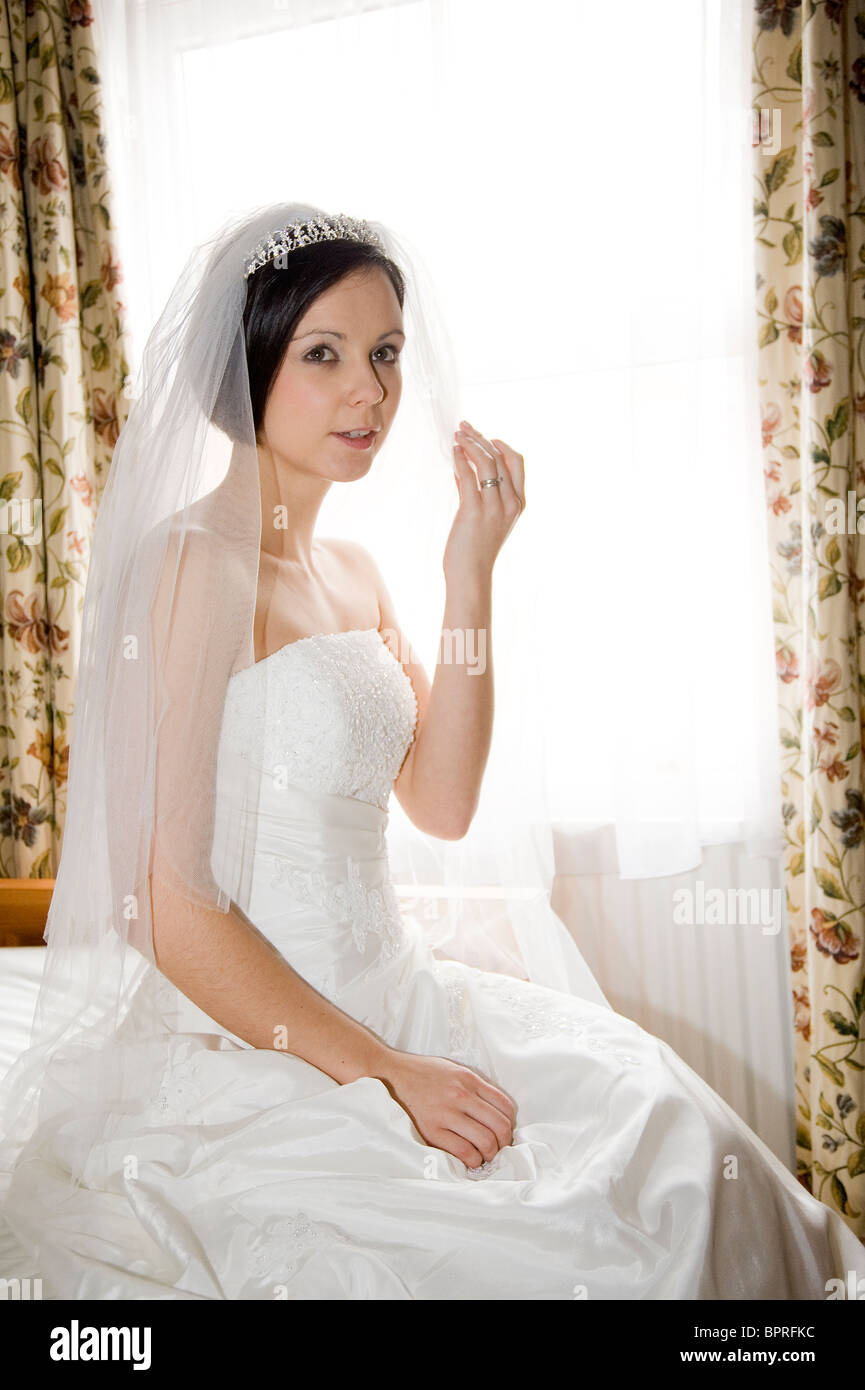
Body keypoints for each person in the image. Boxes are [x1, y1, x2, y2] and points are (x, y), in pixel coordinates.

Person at [0, 202, 862, 1301]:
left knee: (669, 1128)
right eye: (325, 354)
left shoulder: (354, 568)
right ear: (244, 365)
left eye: (385, 354)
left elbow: (441, 801)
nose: (370, 390)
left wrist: (470, 571)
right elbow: (170, 908)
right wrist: (385, 1072)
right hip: (267, 1044)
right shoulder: (192, 570)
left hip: (401, 993)